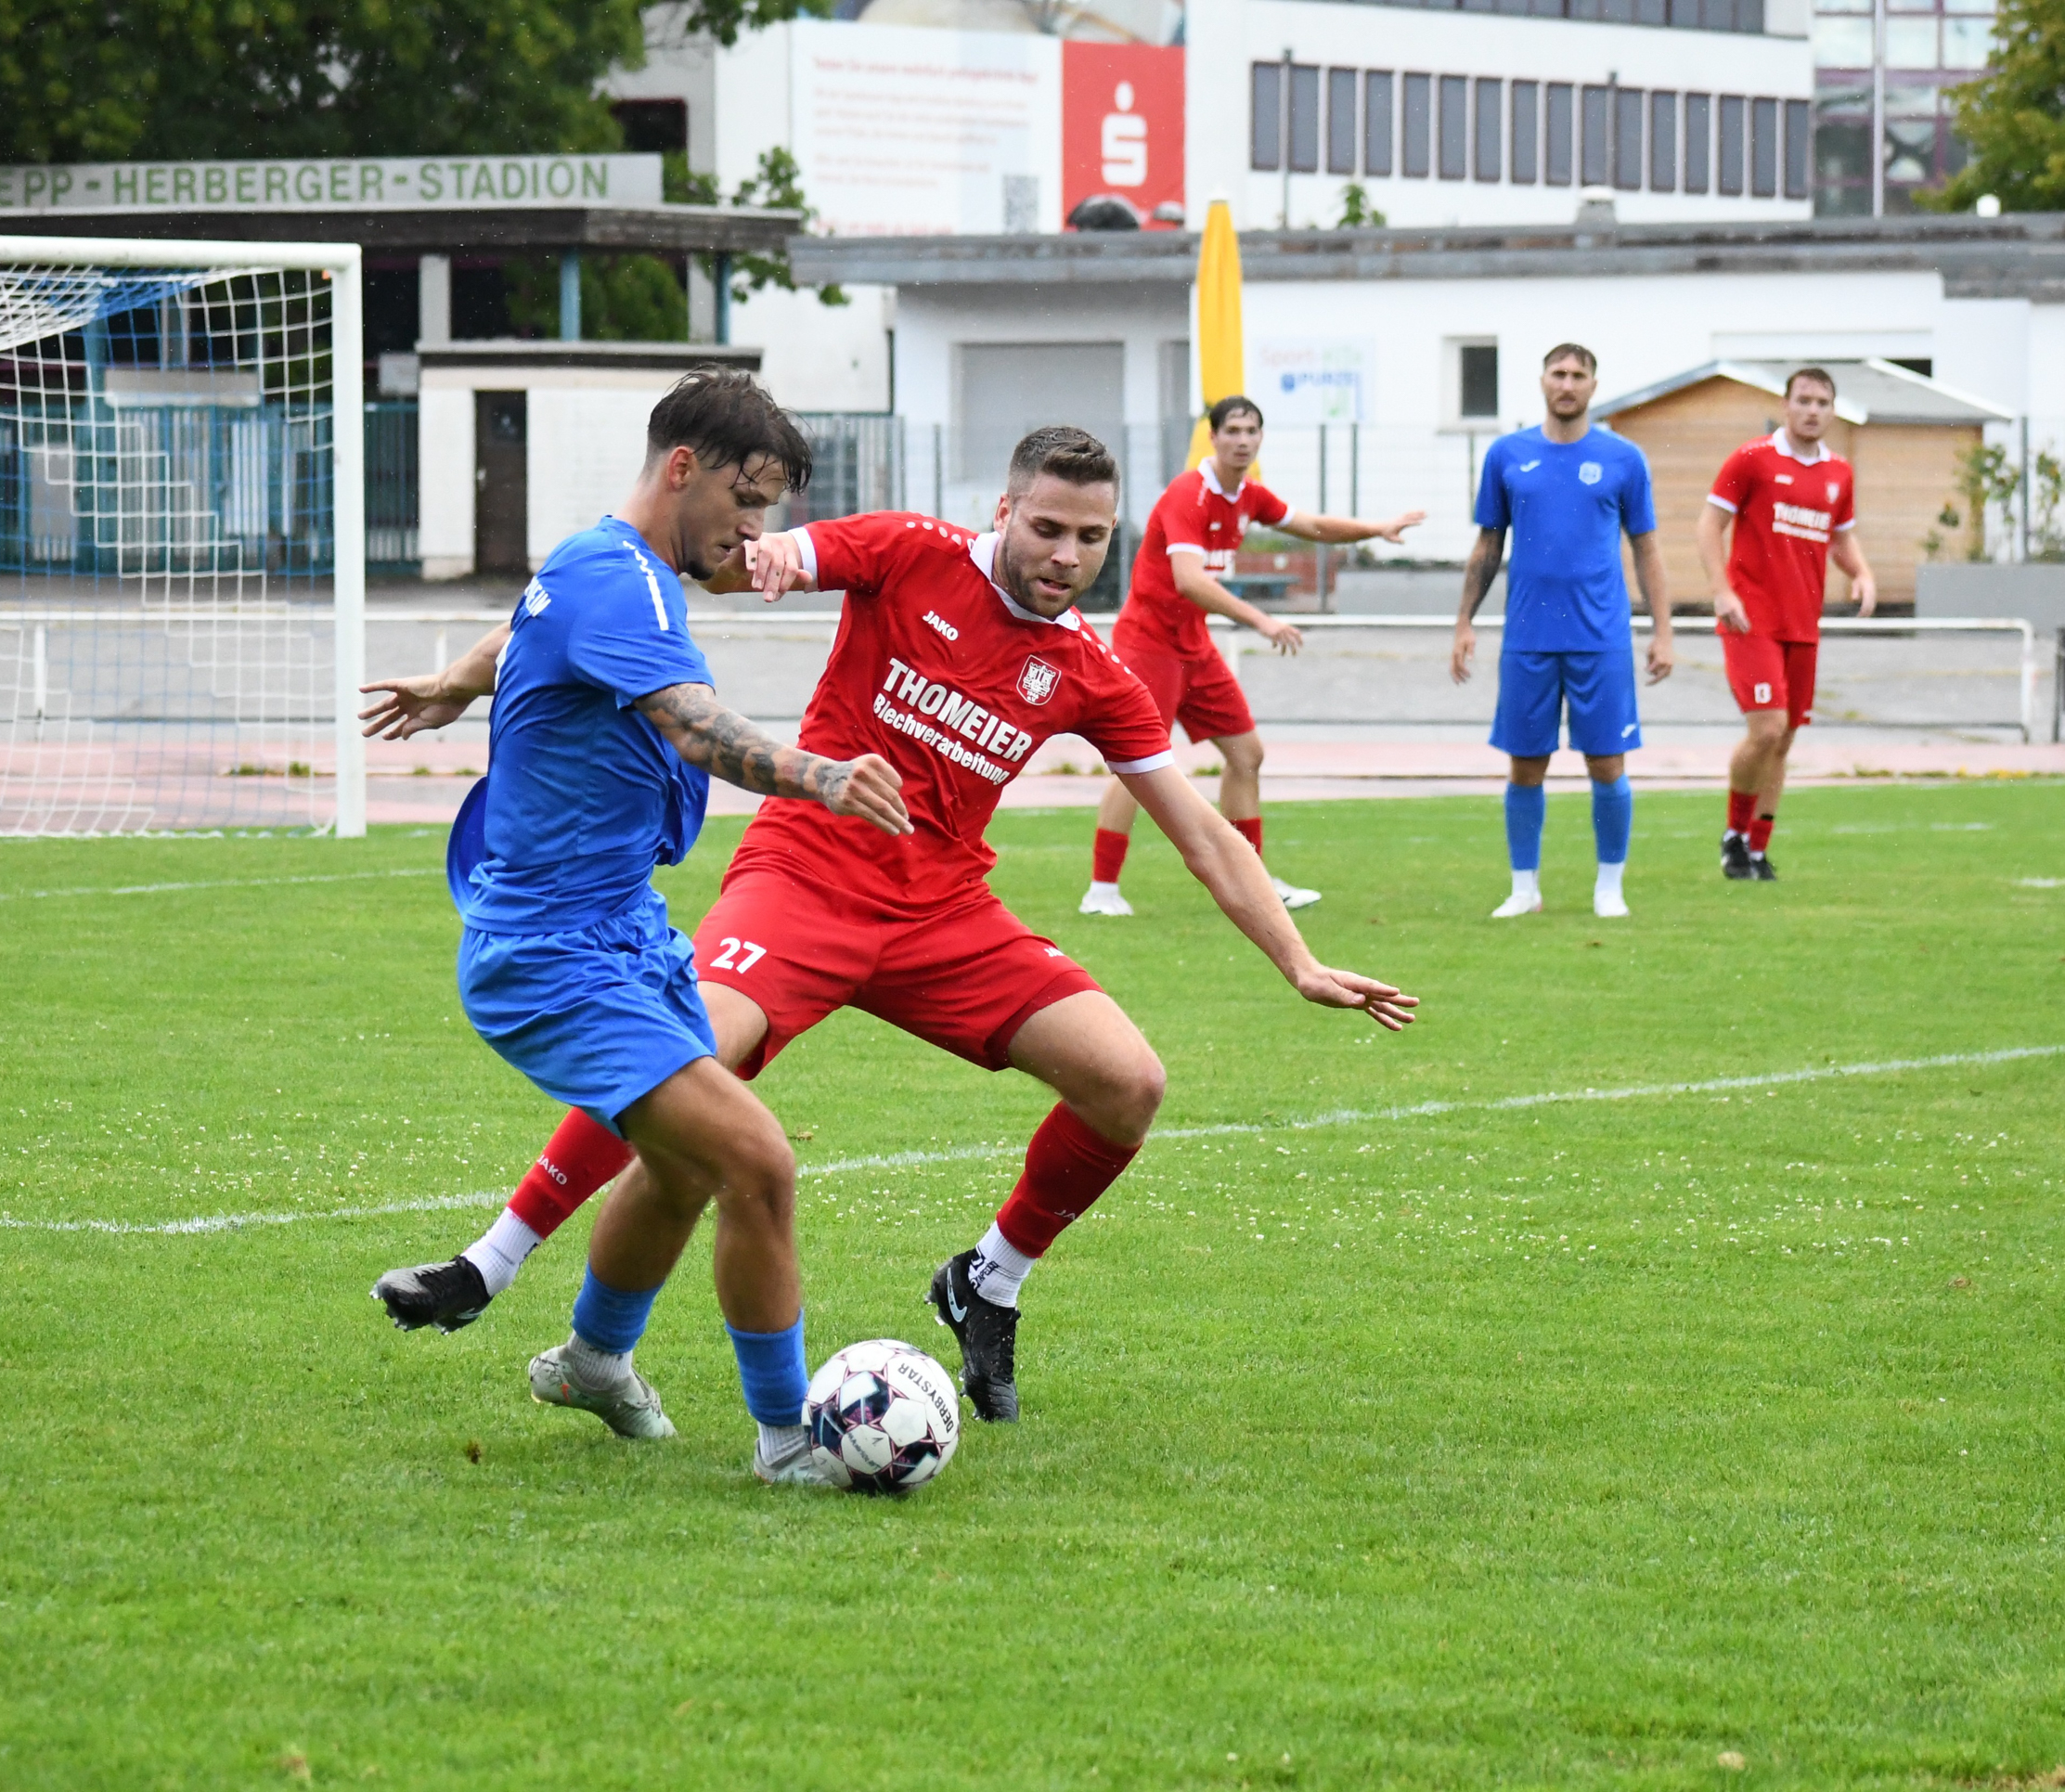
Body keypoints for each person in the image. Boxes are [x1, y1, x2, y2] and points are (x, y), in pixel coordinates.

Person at [367, 426, 1417, 1426]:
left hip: (944, 912)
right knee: (695, 1058)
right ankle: (491, 1263)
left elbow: (1200, 832)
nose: (1066, 554)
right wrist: (465, 678)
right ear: (1004, 509)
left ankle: (987, 1281)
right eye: (1046, 527)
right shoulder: (905, 549)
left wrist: (1298, 958)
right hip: (804, 877)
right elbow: (632, 586)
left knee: (1128, 1081)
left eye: (1090, 538)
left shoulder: (1093, 672)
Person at [358, 367, 908, 1487]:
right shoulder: (627, 587)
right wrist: (824, 775)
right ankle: (787, 1443)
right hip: (553, 953)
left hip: (622, 930)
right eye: (746, 505)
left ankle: (595, 1359)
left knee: (682, 1165)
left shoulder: (594, 563)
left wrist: (459, 683)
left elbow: (521, 633)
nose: (753, 535)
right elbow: (699, 730)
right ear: (681, 469)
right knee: (758, 1157)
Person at [1082, 395, 1424, 918]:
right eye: (1233, 430)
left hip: (1193, 645)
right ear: (1213, 437)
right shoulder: (1187, 495)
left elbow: (1310, 526)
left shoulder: (1247, 495)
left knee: (1247, 754)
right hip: (1148, 643)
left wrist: (1375, 529)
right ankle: (1101, 891)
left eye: (1252, 431)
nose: (1243, 439)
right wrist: (1262, 620)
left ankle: (1253, 880)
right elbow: (1189, 580)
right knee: (1137, 764)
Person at [1452, 345, 1674, 920]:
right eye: (1559, 374)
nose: (1568, 384)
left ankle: (1610, 887)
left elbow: (1647, 549)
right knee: (1526, 765)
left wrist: (1663, 631)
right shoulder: (1508, 454)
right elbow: (1487, 545)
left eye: (1578, 375)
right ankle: (1524, 888)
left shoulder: (1624, 459)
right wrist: (1464, 623)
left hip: (1600, 636)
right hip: (1528, 634)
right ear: (1543, 382)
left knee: (1607, 763)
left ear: (1594, 385)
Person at [1700, 367, 1875, 882]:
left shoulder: (1838, 473)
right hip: (1750, 618)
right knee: (1767, 727)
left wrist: (1861, 573)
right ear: (1786, 403)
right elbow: (1710, 524)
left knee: (1785, 738)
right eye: (1804, 400)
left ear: (1833, 409)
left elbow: (1841, 537)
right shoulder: (1753, 459)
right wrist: (1721, 590)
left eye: (1823, 402)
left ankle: (1757, 848)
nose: (1813, 410)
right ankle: (1733, 834)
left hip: (1804, 624)